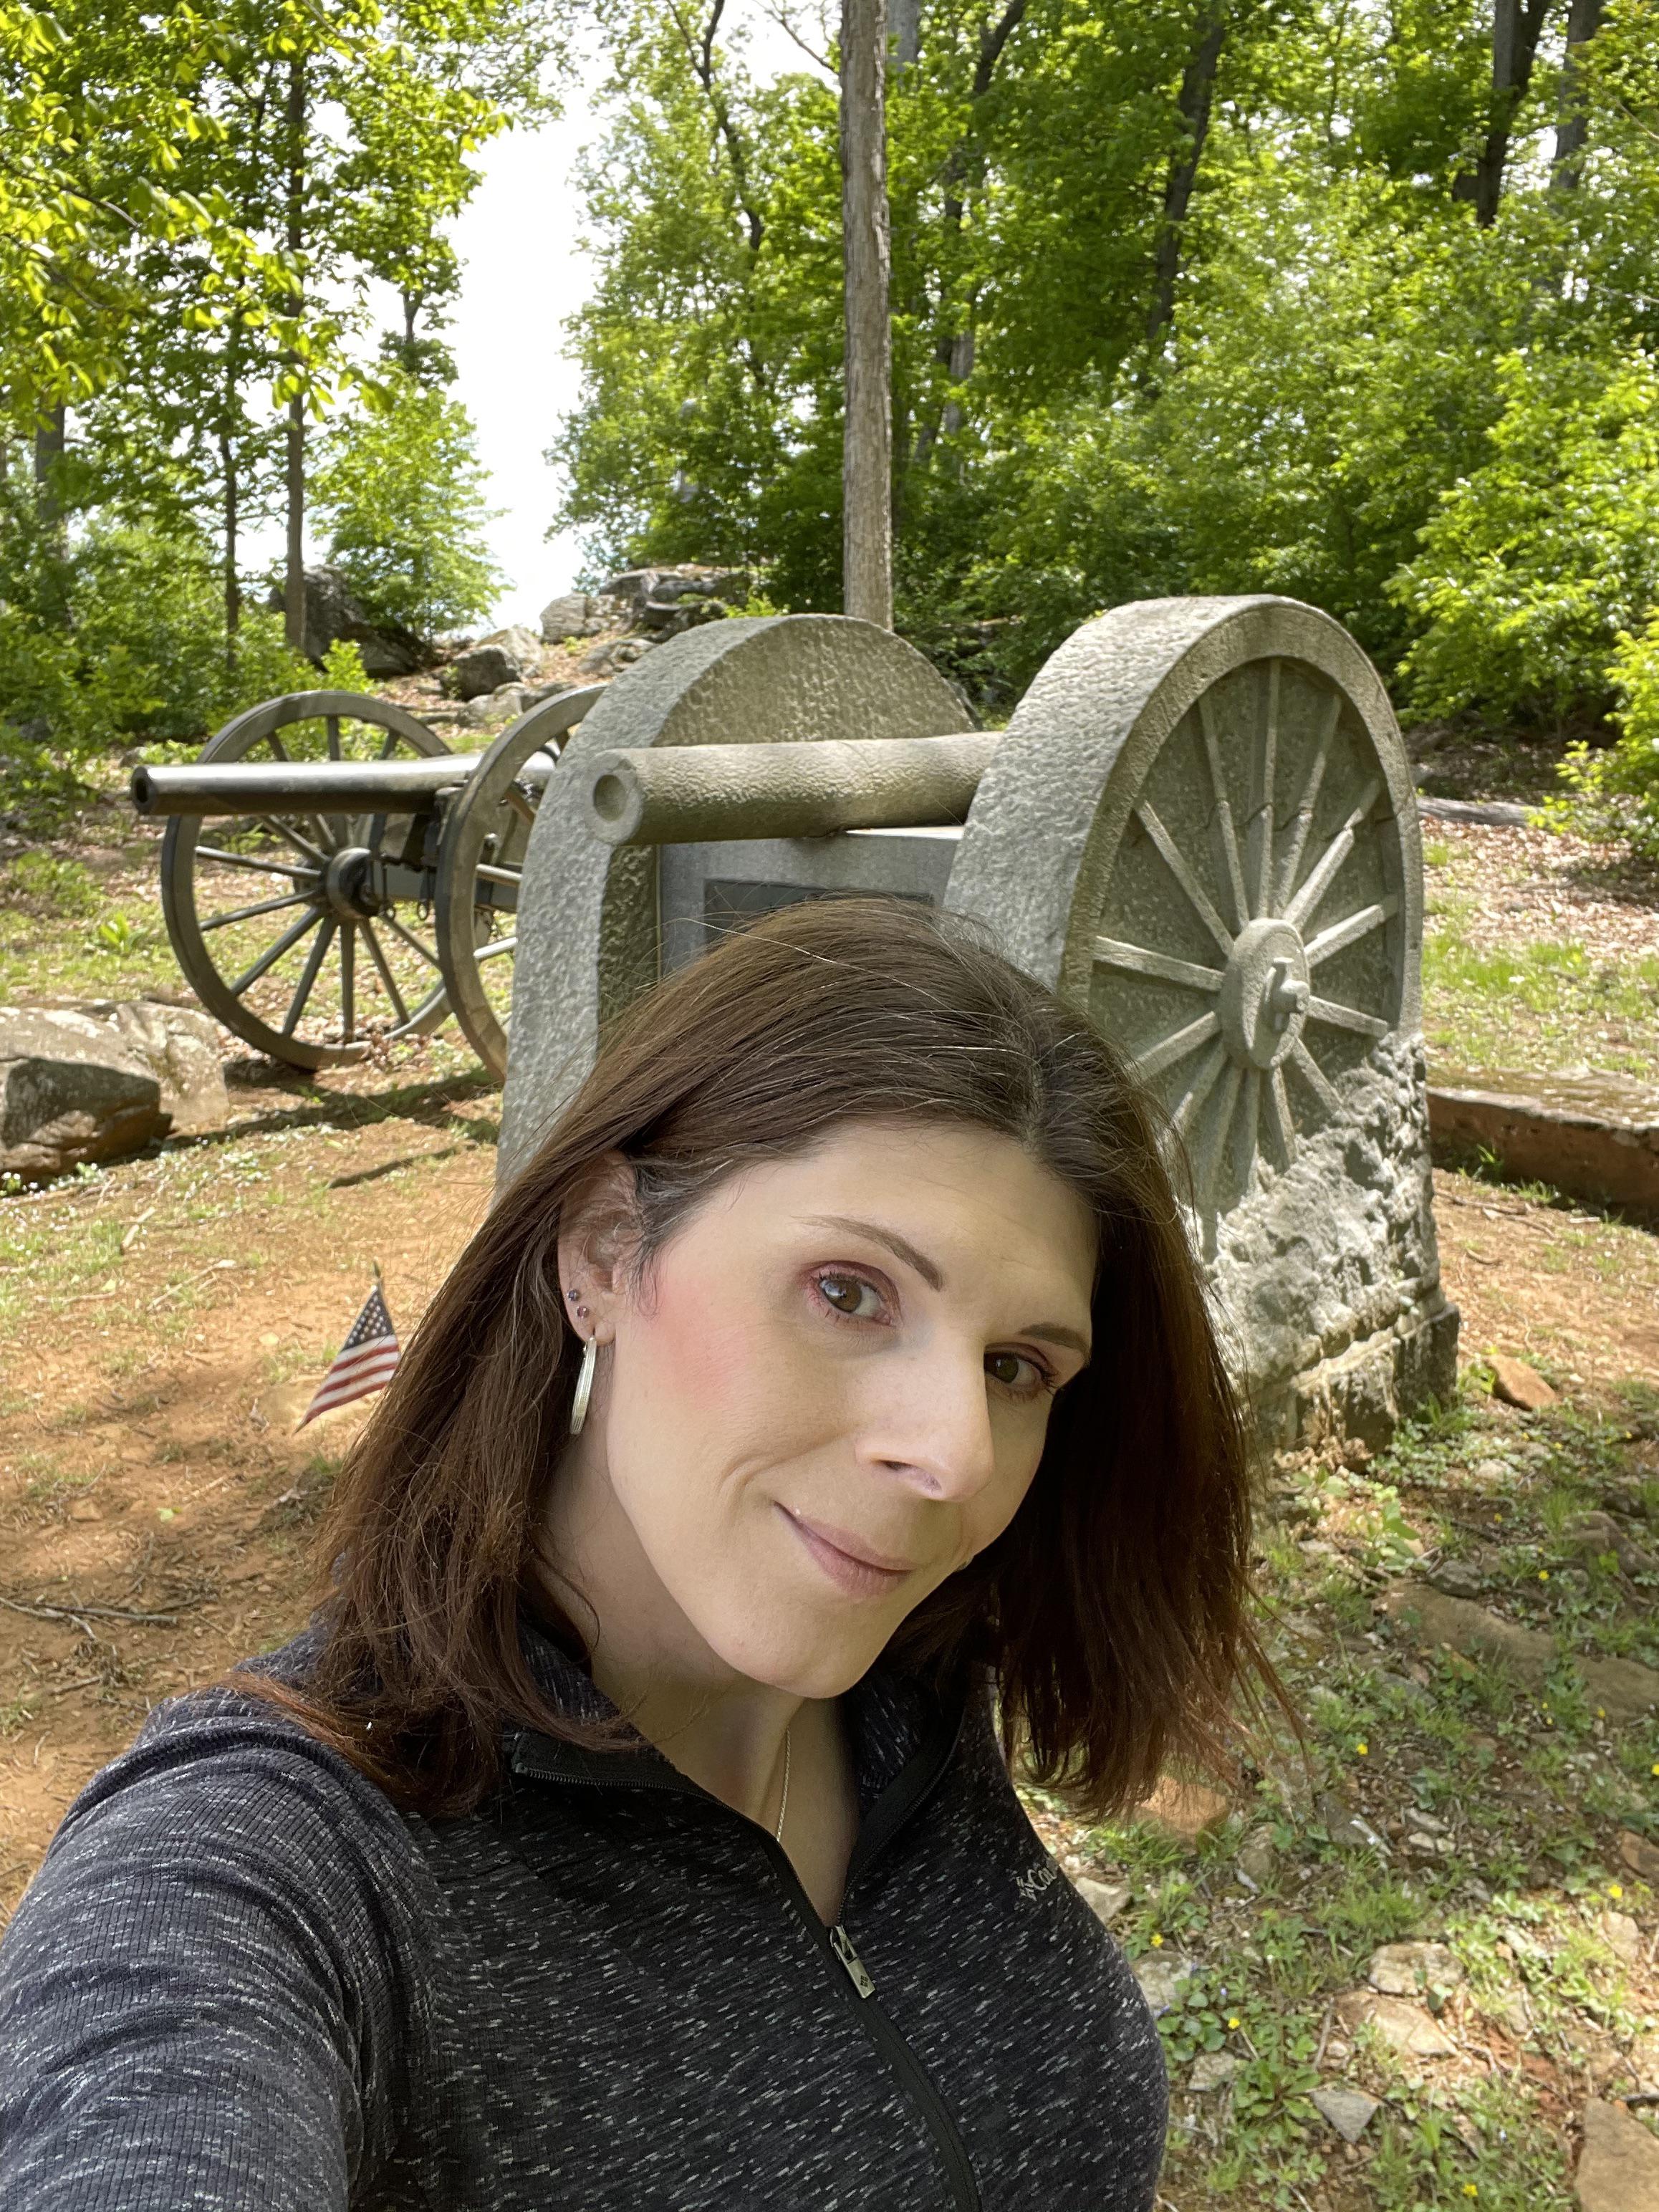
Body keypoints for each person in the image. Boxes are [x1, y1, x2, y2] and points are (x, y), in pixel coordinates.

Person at [0, 896, 1270, 2211]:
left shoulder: (920, 1680)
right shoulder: (273, 1867)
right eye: (848, 1292)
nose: (952, 1457)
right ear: (605, 1250)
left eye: (1016, 1367)